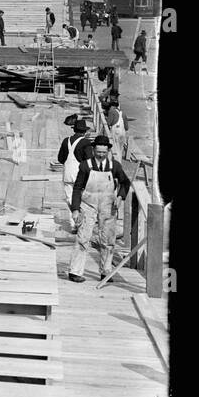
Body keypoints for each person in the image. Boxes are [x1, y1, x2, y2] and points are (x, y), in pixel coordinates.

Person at [67, 134, 132, 283]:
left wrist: (121, 197)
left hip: (108, 206)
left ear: (108, 151)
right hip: (88, 204)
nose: (101, 155)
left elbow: (125, 183)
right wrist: (75, 209)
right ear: (93, 150)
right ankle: (75, 271)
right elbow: (77, 188)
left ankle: (105, 272)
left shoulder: (114, 166)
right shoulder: (85, 166)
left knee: (108, 240)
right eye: (98, 152)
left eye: (104, 152)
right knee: (83, 237)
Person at [57, 116, 92, 221]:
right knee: (81, 199)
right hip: (80, 174)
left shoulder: (65, 141)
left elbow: (60, 159)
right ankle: (81, 221)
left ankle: (73, 223)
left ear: (74, 130)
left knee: (70, 199)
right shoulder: (86, 143)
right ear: (84, 132)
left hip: (68, 173)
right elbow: (89, 160)